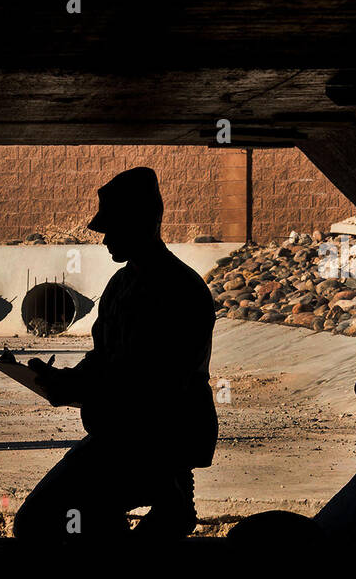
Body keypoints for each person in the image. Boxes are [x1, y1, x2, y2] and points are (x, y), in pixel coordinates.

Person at [13, 167, 217, 542]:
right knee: (40, 522)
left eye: (114, 227)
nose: (105, 238)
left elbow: (156, 385)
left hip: (156, 442)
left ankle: (171, 499)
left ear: (144, 222)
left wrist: (76, 390)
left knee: (44, 521)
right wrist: (62, 380)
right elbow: (105, 359)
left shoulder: (181, 291)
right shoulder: (120, 285)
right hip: (119, 435)